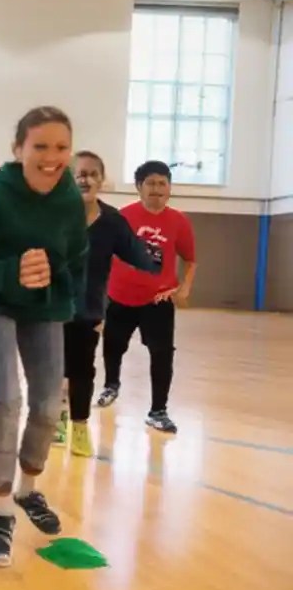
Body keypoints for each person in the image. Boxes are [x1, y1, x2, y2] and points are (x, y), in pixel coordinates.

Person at [0, 105, 88, 567]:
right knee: (7, 398)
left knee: (49, 404)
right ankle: (2, 507)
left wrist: (55, 273)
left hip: (44, 304)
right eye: (40, 146)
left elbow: (75, 252)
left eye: (61, 147)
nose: (52, 157)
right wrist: (8, 273)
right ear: (18, 149)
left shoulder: (68, 195)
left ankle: (29, 489)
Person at [63, 151, 160, 456]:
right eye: (79, 173)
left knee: (82, 371)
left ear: (101, 180)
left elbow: (138, 255)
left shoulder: (113, 222)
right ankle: (53, 419)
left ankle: (79, 426)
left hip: (87, 311)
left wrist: (156, 262)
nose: (85, 179)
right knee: (48, 370)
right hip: (49, 309)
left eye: (93, 174)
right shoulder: (51, 216)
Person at [96, 160, 196, 434]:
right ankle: (111, 385)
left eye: (162, 183)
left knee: (162, 354)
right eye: (150, 183)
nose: (157, 189)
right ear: (139, 187)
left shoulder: (179, 221)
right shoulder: (121, 217)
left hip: (158, 300)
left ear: (170, 188)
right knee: (113, 345)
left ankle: (158, 410)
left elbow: (190, 259)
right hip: (120, 296)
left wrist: (184, 287)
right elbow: (103, 254)